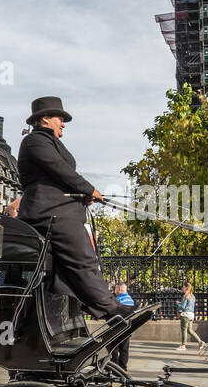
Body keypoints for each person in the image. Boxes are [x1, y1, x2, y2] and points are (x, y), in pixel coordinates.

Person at [13, 96, 131, 320]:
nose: (63, 123)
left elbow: (58, 177)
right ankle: (109, 309)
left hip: (61, 211)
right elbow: (59, 169)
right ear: (45, 119)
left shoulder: (48, 141)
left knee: (79, 263)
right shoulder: (34, 141)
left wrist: (82, 196)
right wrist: (88, 189)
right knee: (83, 259)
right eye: (60, 118)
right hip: (50, 214)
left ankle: (92, 306)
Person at [111, 283, 135, 370]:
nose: (114, 291)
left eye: (115, 289)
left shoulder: (118, 300)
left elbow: (112, 311)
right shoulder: (130, 299)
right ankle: (123, 367)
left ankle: (115, 366)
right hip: (127, 328)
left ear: (120, 290)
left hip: (118, 328)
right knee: (124, 349)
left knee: (114, 348)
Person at [177, 282, 198, 351]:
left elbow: (182, 306)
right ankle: (200, 341)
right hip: (191, 314)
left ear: (186, 288)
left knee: (184, 330)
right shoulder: (193, 296)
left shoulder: (185, 296)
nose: (182, 288)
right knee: (190, 330)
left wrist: (178, 304)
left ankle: (183, 345)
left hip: (185, 314)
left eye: (183, 287)